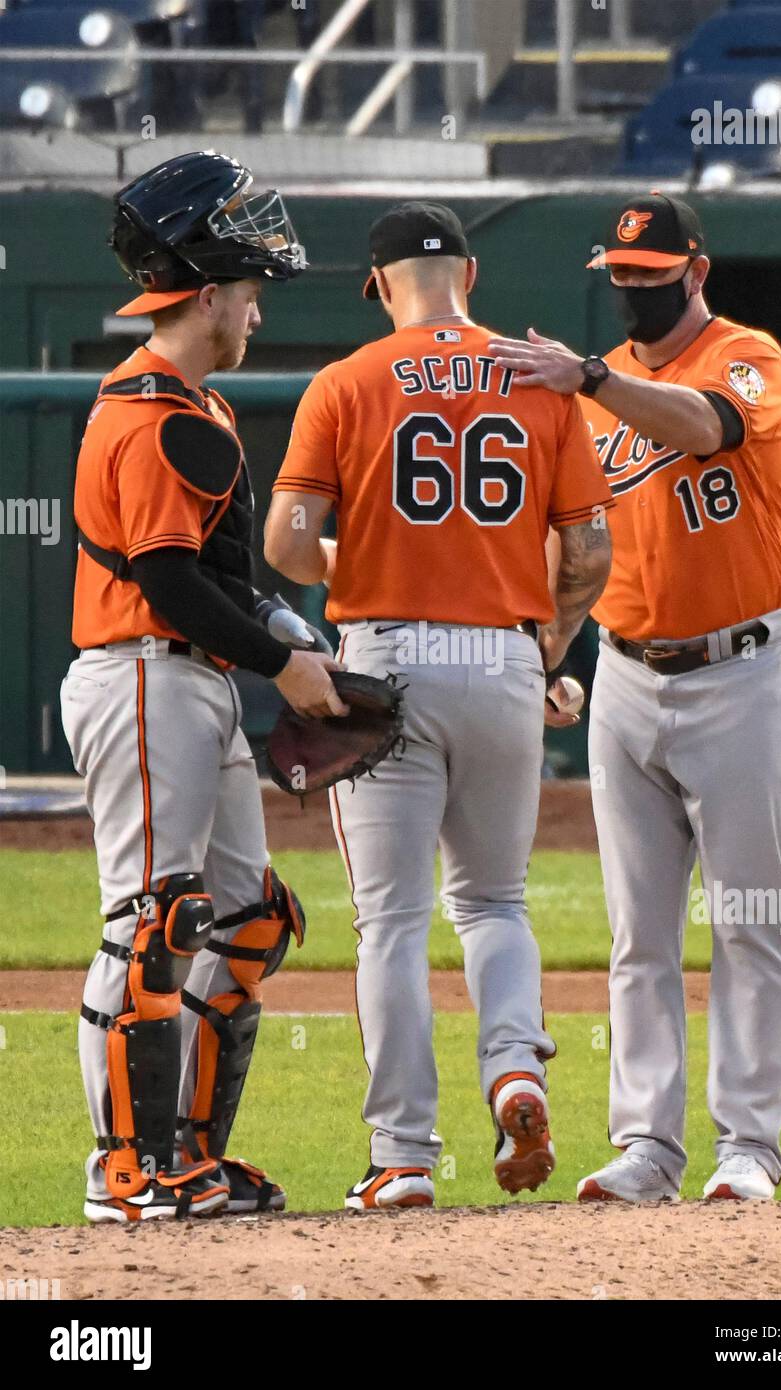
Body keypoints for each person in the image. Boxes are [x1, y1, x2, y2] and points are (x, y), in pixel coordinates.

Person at [265, 201, 614, 1211]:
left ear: (378, 285)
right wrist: (537, 651)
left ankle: (405, 1157)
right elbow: (588, 555)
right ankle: (516, 1072)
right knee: (495, 902)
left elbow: (288, 545)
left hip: (384, 656)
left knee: (392, 922)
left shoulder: (345, 382)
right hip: (505, 658)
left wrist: (357, 552)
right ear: (470, 275)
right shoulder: (544, 380)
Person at [490, 191, 781, 1204]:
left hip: (742, 668)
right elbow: (581, 545)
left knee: (750, 916)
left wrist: (587, 377)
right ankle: (648, 1147)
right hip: (627, 670)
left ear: (695, 272)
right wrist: (550, 650)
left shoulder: (745, 353)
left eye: (651, 273)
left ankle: (748, 1145)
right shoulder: (599, 394)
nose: (632, 288)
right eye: (619, 275)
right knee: (638, 931)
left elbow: (710, 429)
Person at [61, 150, 346, 1224]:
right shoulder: (154, 413)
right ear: (209, 289)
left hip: (193, 682)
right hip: (142, 674)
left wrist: (291, 635)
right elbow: (170, 584)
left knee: (250, 918)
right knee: (154, 920)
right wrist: (286, 665)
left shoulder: (200, 409)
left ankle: (191, 1158)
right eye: (249, 285)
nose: (259, 303)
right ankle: (123, 1174)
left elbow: (222, 576)